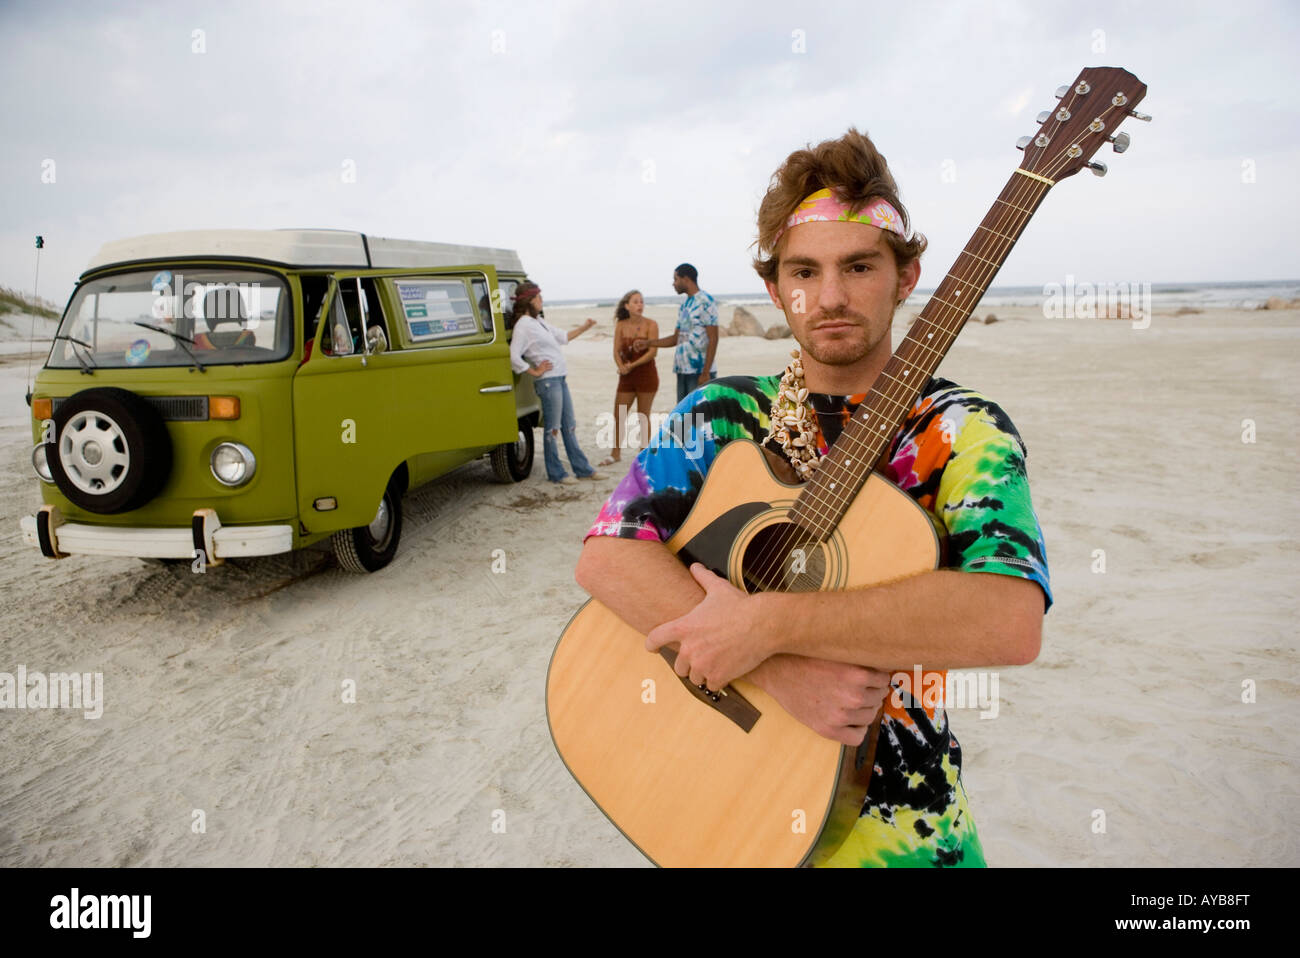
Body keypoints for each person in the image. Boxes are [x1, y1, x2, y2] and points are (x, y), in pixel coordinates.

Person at [575, 128, 1051, 868]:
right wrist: (769, 664)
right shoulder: (718, 415)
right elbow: (608, 559)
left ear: (907, 273)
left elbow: (1010, 620)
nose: (829, 297)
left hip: (905, 823)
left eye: (859, 266)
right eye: (804, 270)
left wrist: (768, 622)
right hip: (714, 799)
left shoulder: (962, 432)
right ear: (774, 288)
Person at [508, 282, 604, 485]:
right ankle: (556, 473)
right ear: (529, 300)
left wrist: (586, 326)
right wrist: (534, 371)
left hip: (560, 379)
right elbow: (514, 356)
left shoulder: (539, 322)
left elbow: (564, 337)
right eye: (539, 298)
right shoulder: (523, 325)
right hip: (548, 382)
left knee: (569, 426)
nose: (541, 301)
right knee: (553, 429)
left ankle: (583, 469)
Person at [637, 264, 718, 402]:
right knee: (683, 418)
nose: (673, 284)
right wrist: (649, 343)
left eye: (675, 279)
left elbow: (713, 337)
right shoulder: (685, 305)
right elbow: (676, 338)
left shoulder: (705, 301)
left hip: (699, 371)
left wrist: (705, 372)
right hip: (682, 370)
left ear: (686, 279)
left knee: (699, 418)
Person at [598, 290, 659, 467]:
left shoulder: (651, 324)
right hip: (626, 377)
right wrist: (620, 365)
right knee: (619, 414)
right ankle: (615, 454)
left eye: (641, 301)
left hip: (646, 375)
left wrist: (631, 366)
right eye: (635, 302)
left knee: (643, 415)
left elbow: (652, 352)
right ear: (627, 306)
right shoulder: (621, 325)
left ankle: (643, 453)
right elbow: (616, 350)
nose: (640, 305)